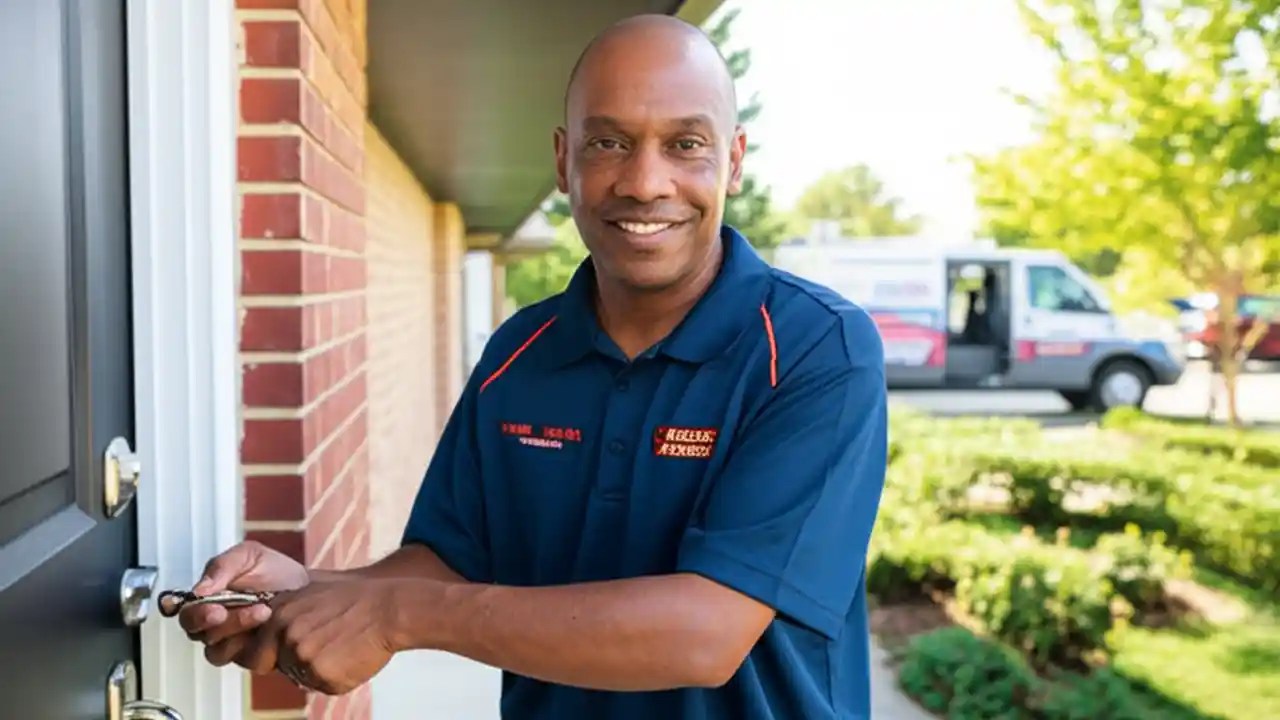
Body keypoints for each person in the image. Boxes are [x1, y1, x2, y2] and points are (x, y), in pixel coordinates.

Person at [181, 13, 888, 719]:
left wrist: (393, 615)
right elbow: (452, 561)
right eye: (608, 142)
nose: (645, 182)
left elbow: (705, 635)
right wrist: (309, 595)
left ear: (733, 161)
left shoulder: (815, 350)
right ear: (562, 160)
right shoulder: (519, 354)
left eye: (685, 144)